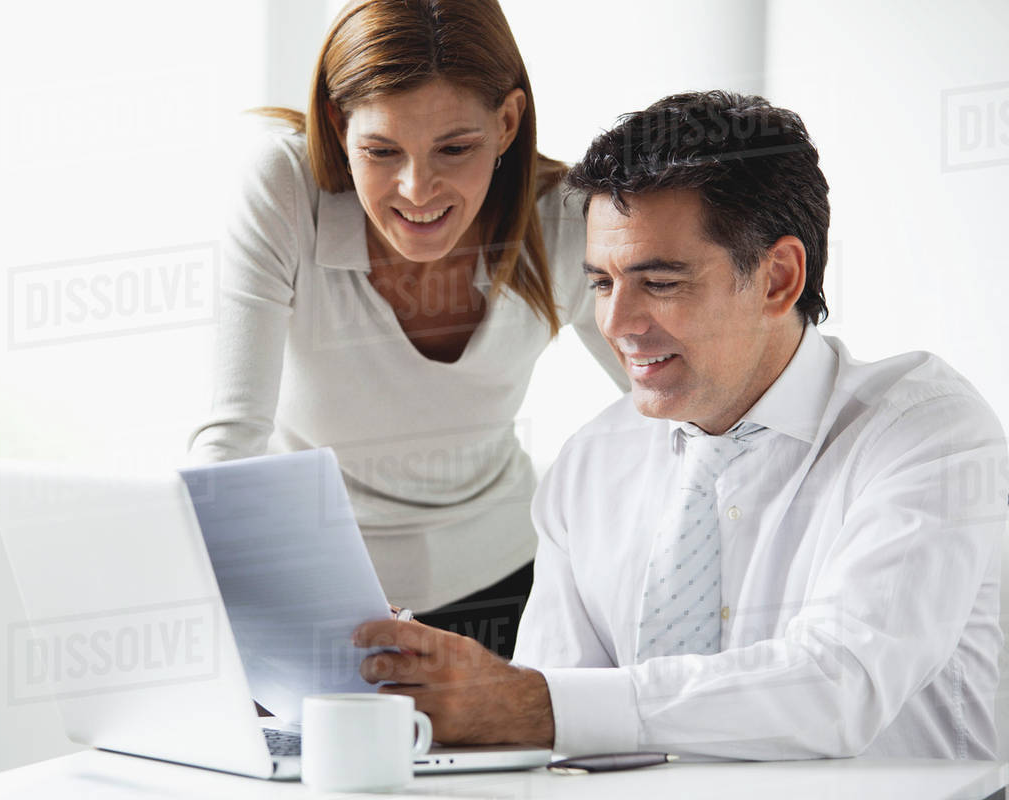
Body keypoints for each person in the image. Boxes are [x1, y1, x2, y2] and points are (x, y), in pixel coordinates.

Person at [353, 90, 1007, 760]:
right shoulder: (591, 464)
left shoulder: (926, 435)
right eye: (601, 283)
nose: (616, 323)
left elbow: (840, 686)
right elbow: (551, 741)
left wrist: (530, 703)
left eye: (660, 283)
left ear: (778, 278)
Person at [187, 0, 627, 658]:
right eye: (381, 150)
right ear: (337, 124)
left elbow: (673, 406)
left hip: (508, 579)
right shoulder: (285, 189)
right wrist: (238, 622)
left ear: (507, 123)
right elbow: (231, 444)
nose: (418, 189)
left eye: (455, 148)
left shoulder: (564, 220)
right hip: (322, 583)